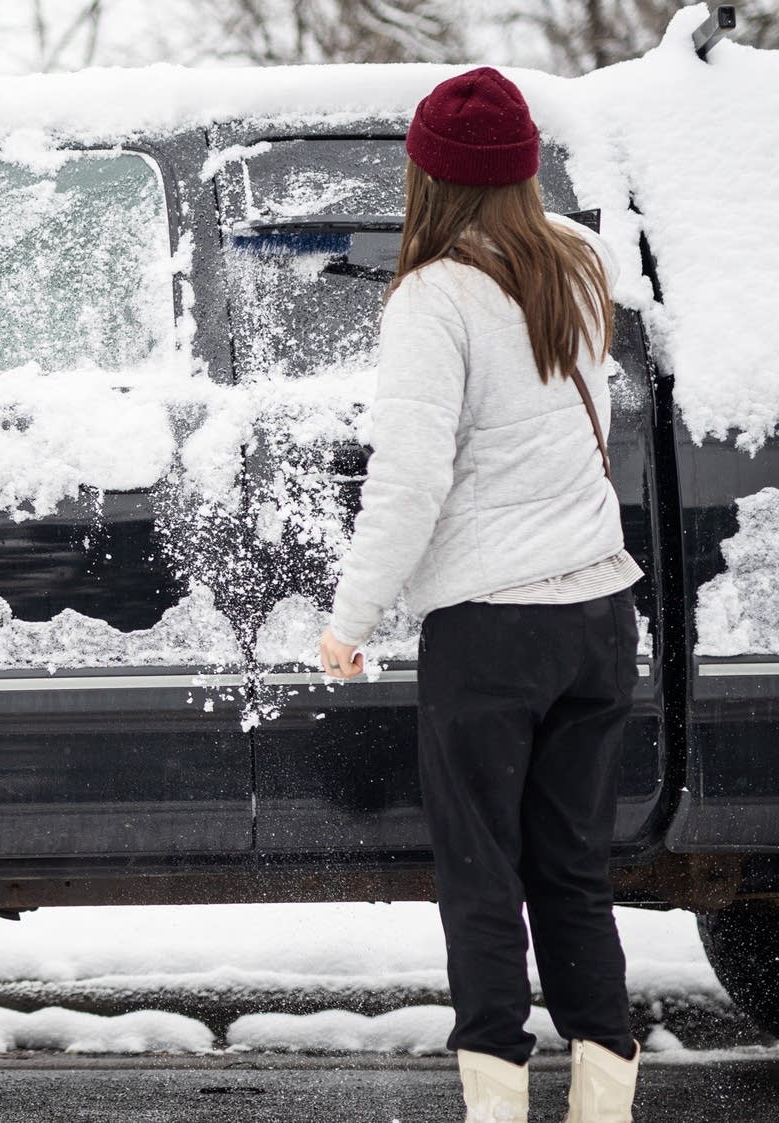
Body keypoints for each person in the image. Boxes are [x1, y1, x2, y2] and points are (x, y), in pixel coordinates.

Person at [316, 67, 642, 1123]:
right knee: (572, 871)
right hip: (598, 617)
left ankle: (496, 1103)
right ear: (523, 170)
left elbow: (409, 481)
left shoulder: (434, 296)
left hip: (492, 630)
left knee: (481, 871)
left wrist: (351, 617)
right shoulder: (579, 261)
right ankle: (602, 1101)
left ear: (428, 177)